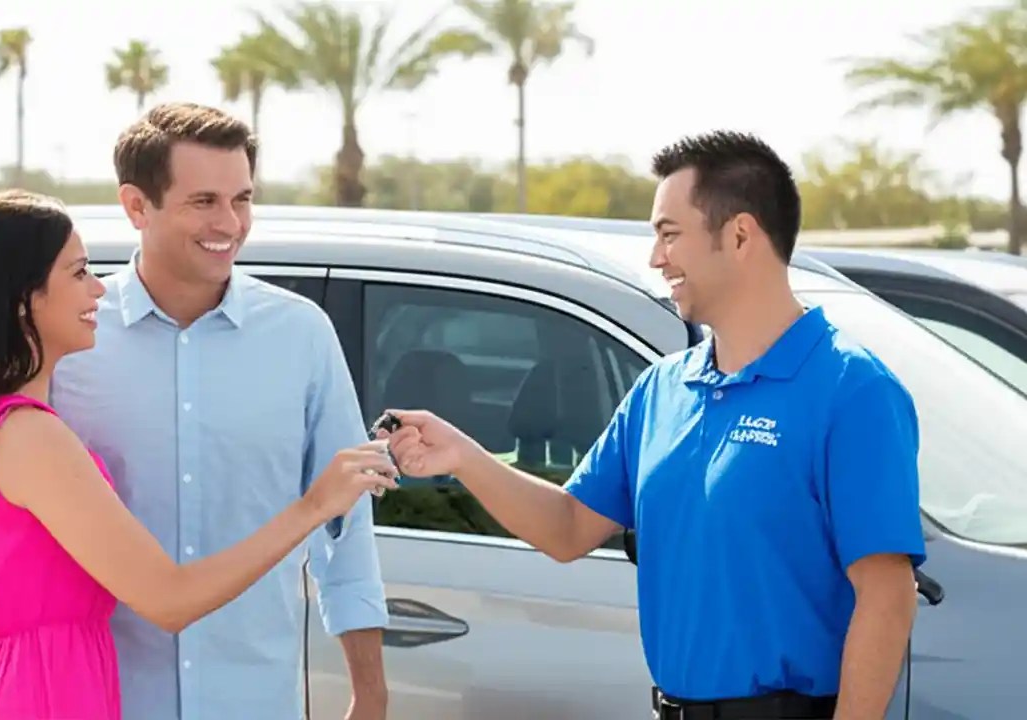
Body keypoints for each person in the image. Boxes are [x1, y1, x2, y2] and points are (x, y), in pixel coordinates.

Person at [379, 131, 925, 719]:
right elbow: (568, 528)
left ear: (740, 235)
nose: (656, 258)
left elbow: (887, 596)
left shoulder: (853, 389)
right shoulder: (662, 389)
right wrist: (463, 456)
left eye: (669, 235)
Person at [0, 189, 398, 720]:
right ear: (22, 298)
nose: (98, 289)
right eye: (78, 273)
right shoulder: (30, 437)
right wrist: (314, 507)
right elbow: (169, 600)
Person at [49, 102, 391, 720]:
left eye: (242, 199)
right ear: (136, 206)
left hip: (256, 700)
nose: (230, 223)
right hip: (109, 699)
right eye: (204, 201)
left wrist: (368, 691)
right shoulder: (72, 343)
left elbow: (347, 524)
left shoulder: (301, 336)